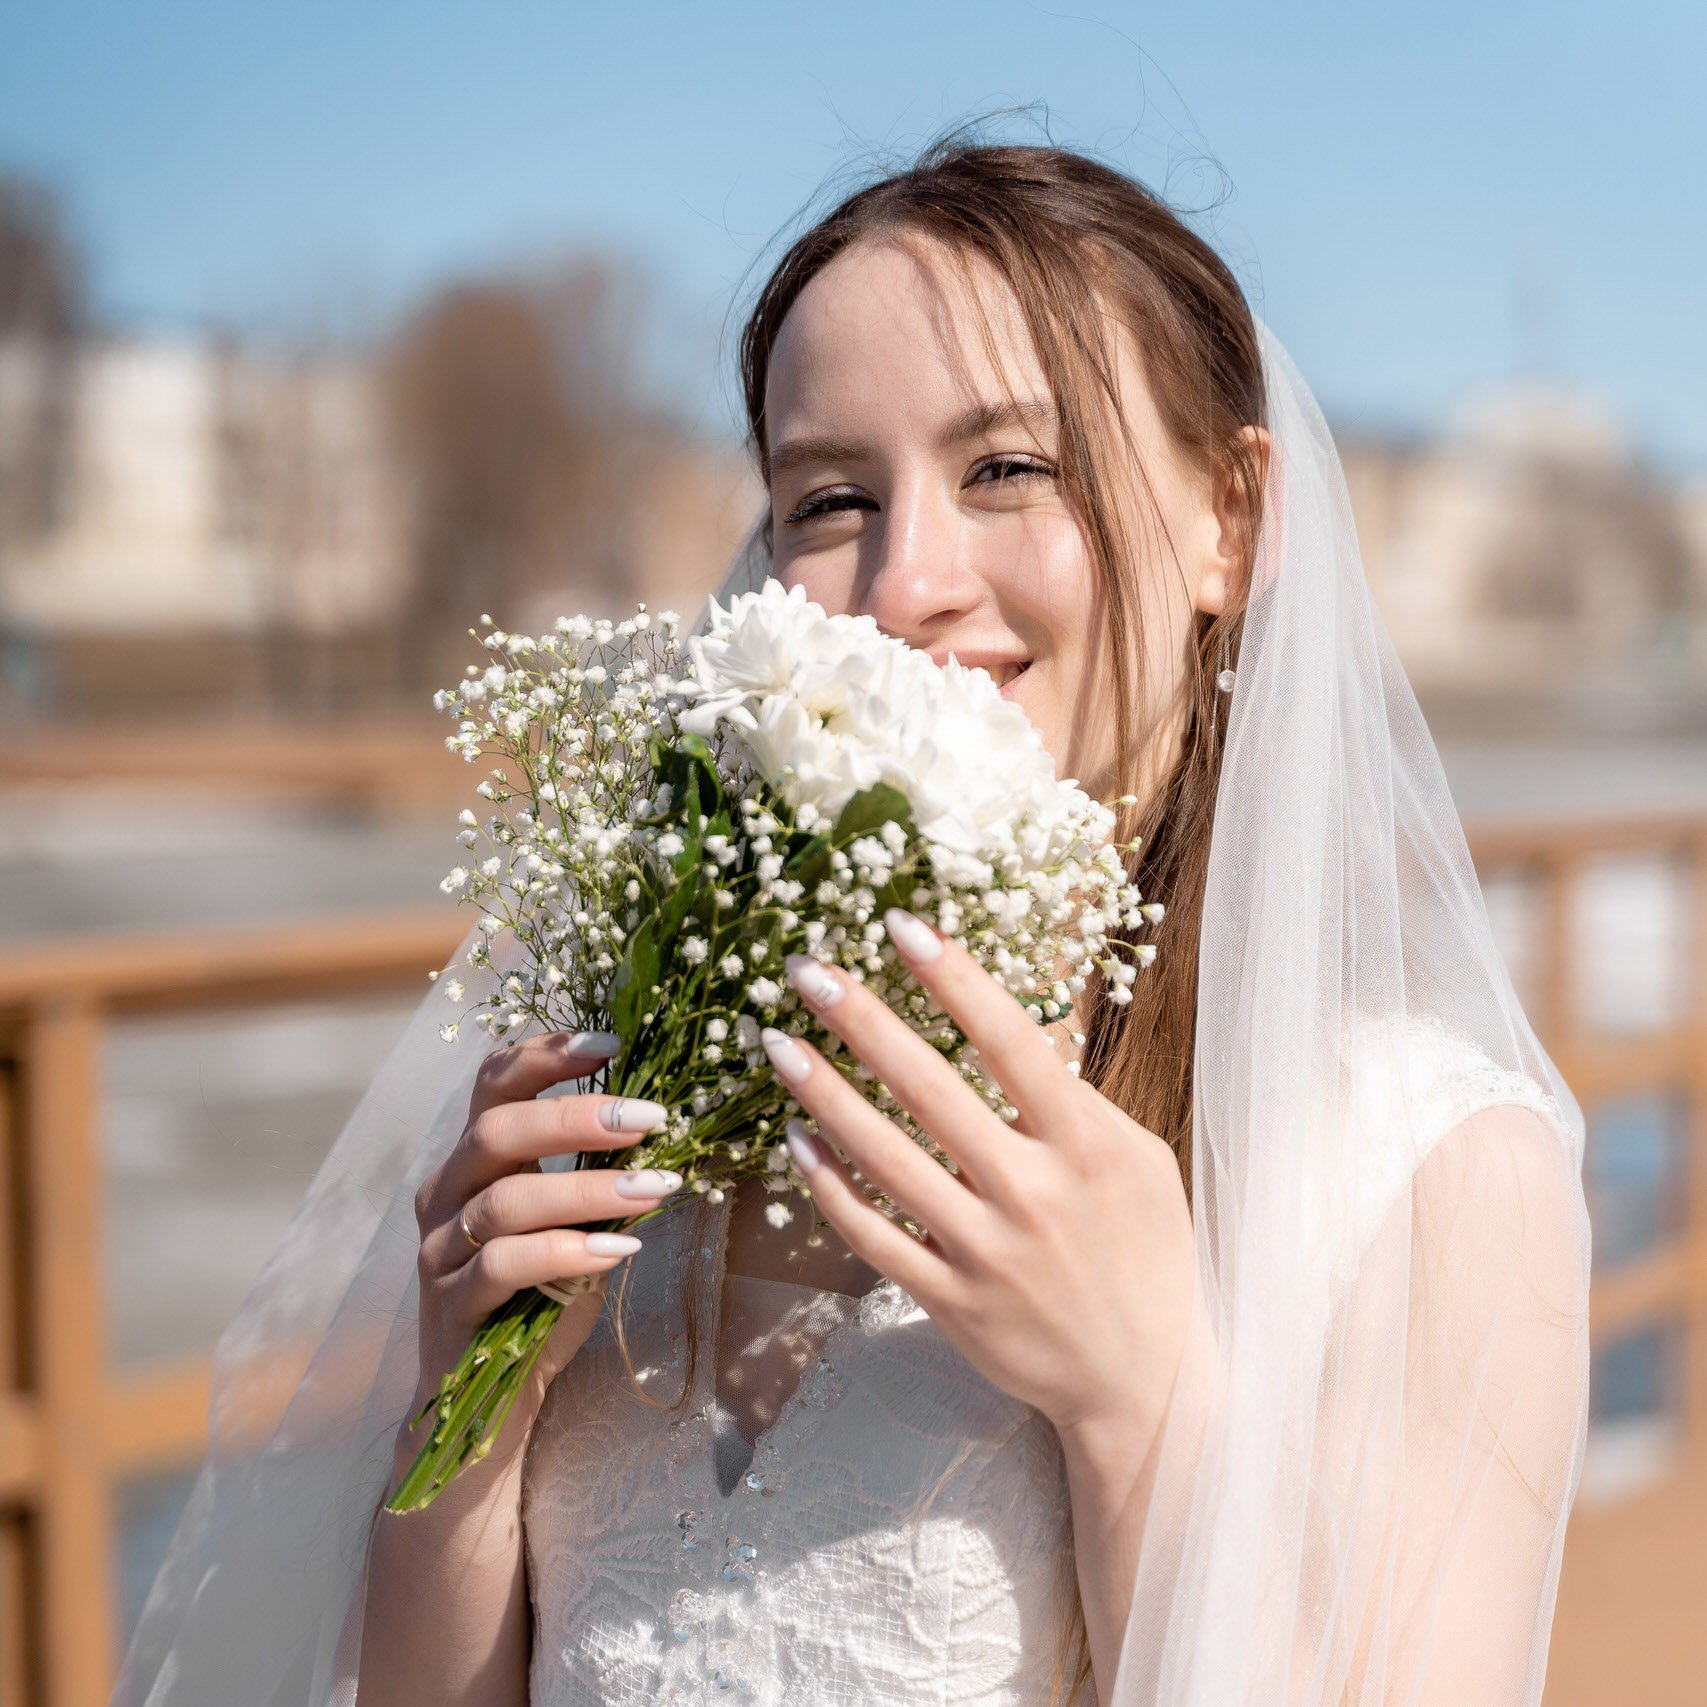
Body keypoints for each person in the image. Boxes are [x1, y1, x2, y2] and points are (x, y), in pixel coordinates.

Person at [114, 132, 1592, 1707]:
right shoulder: (646, 1092)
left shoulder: (1431, 1173)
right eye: (830, 498)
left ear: (1232, 517)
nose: (903, 585)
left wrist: (1140, 1402)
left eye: (1009, 469)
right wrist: (463, 1416)